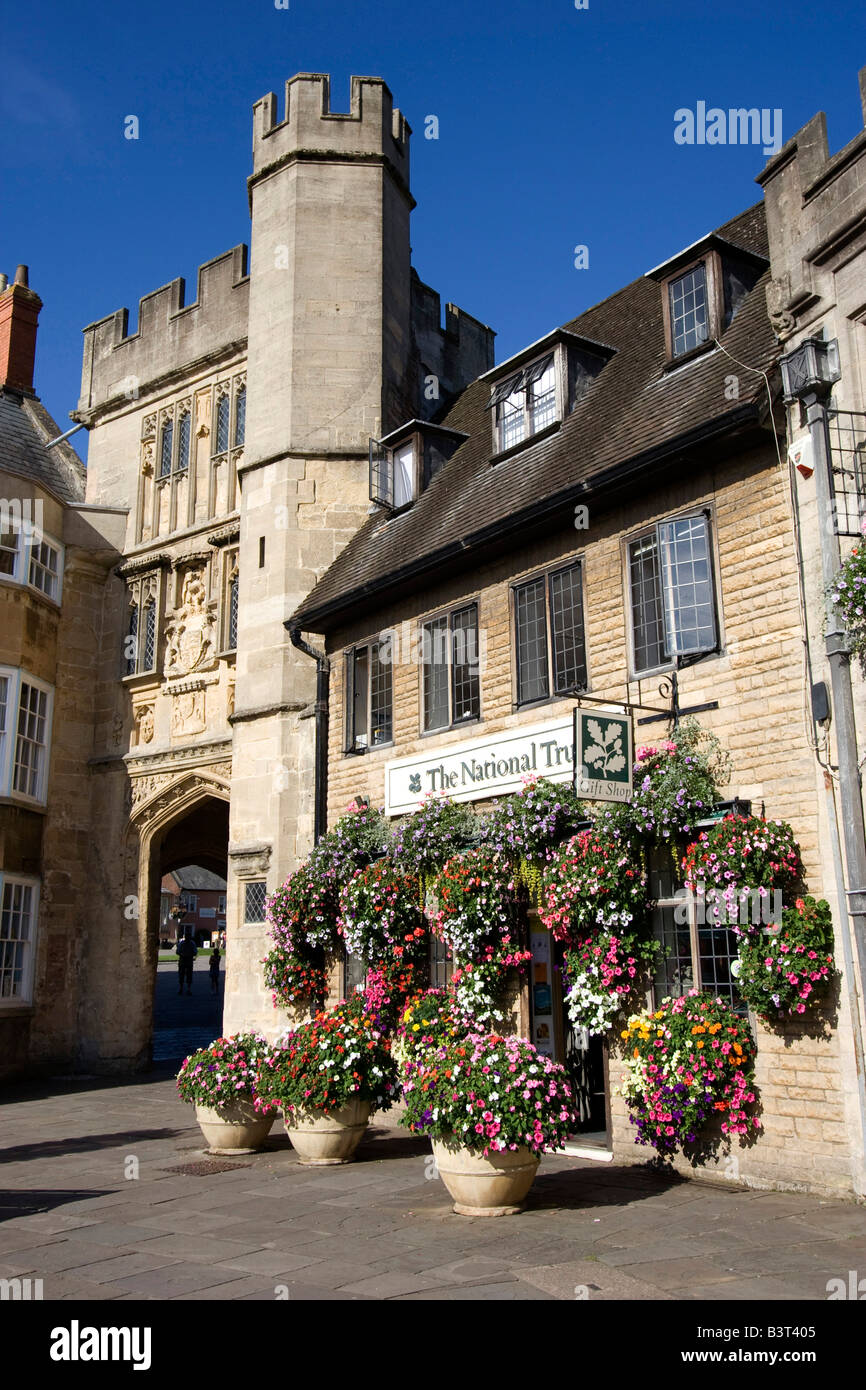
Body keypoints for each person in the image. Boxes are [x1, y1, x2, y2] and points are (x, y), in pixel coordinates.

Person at [176, 931, 197, 996]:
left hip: (188, 961)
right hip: (183, 960)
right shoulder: (182, 943)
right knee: (181, 975)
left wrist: (189, 954)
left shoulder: (192, 944)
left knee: (188, 975)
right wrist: (183, 954)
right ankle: (182, 988)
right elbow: (177, 952)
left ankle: (187, 989)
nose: (188, 938)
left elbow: (195, 952)